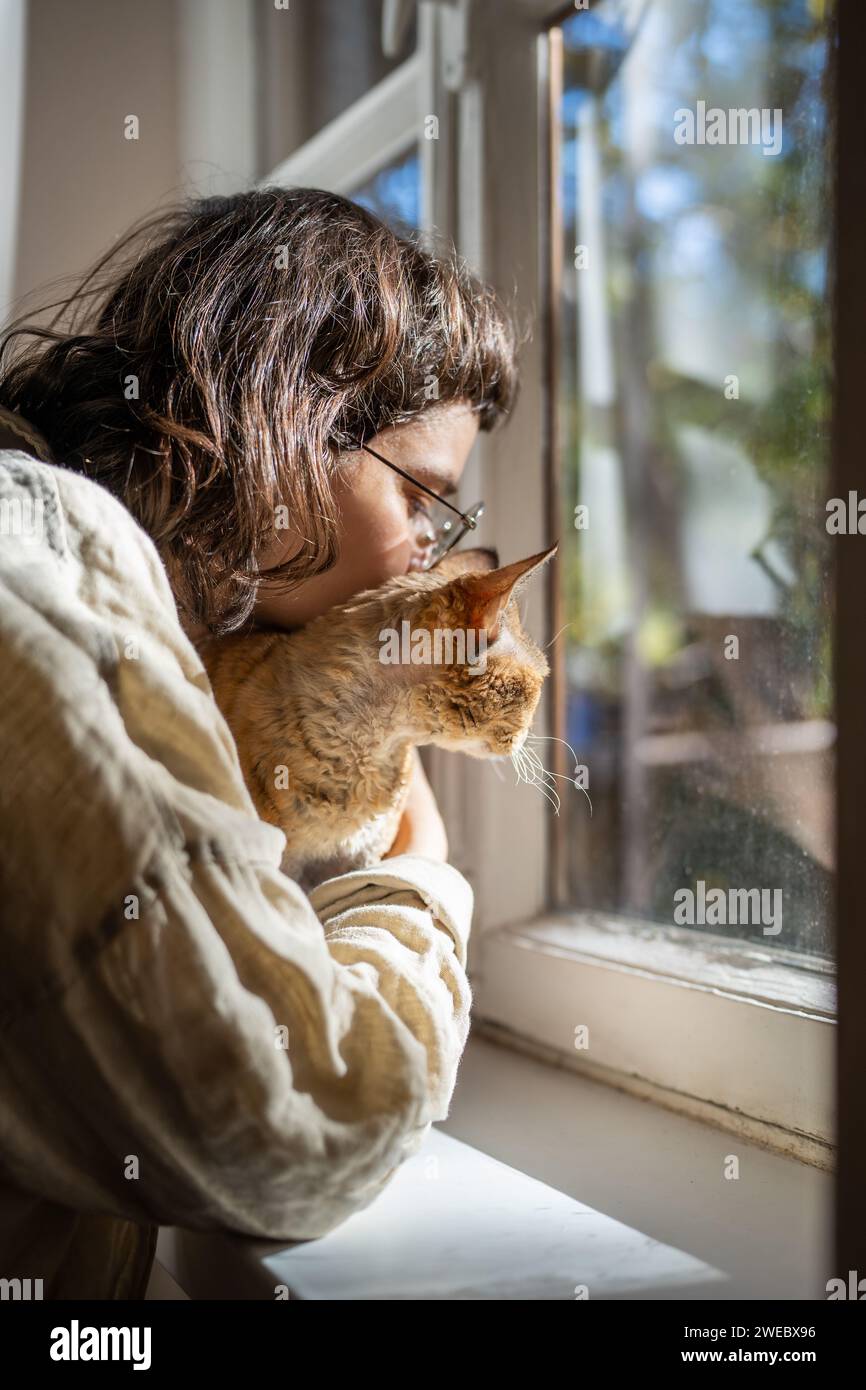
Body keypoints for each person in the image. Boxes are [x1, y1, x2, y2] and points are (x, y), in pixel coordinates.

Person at [0, 187, 519, 1299]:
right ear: (278, 410)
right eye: (423, 493)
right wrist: (416, 873)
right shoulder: (39, 576)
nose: (431, 547)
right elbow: (281, 1125)